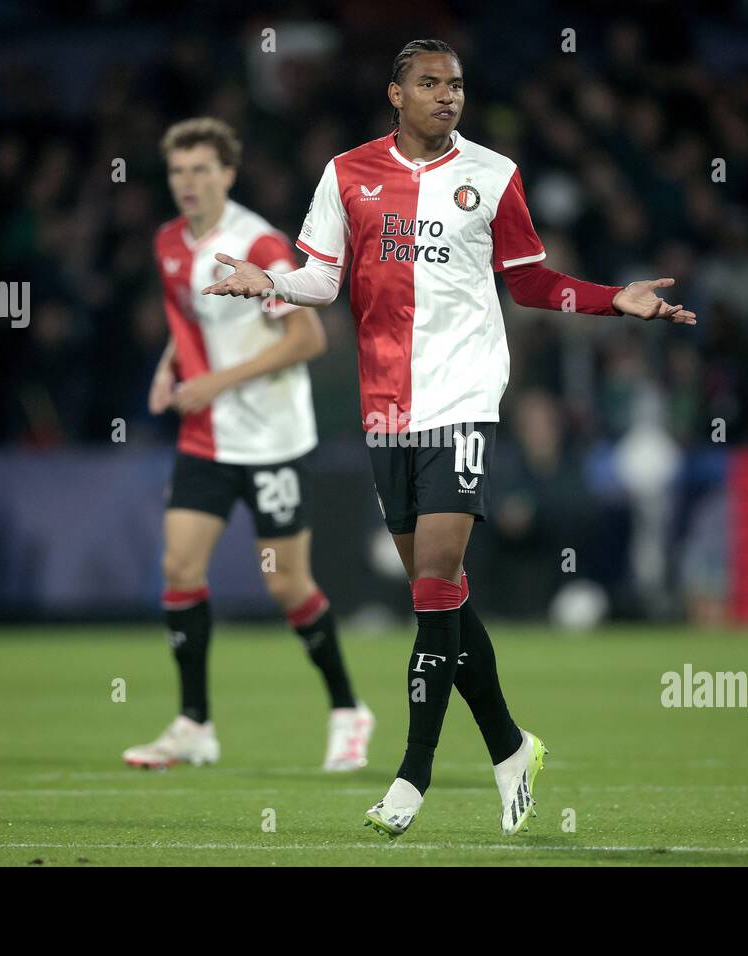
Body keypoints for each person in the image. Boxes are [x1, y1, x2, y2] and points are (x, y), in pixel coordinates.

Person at [201, 41, 695, 837]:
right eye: (429, 84)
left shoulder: (492, 175)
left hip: (462, 397)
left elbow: (530, 281)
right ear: (396, 93)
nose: (447, 96)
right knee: (444, 601)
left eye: (457, 84)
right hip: (385, 406)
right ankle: (510, 747)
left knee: (434, 580)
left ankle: (413, 775)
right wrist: (270, 282)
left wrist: (613, 300)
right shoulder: (347, 173)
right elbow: (321, 278)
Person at [122, 118, 373, 773]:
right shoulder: (169, 242)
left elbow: (308, 340)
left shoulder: (257, 242)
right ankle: (194, 724)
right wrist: (168, 368)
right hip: (208, 438)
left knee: (286, 585)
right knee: (180, 568)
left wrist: (216, 382)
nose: (189, 182)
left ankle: (348, 708)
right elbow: (192, 318)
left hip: (272, 441)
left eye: (203, 169)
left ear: (228, 174)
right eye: (179, 171)